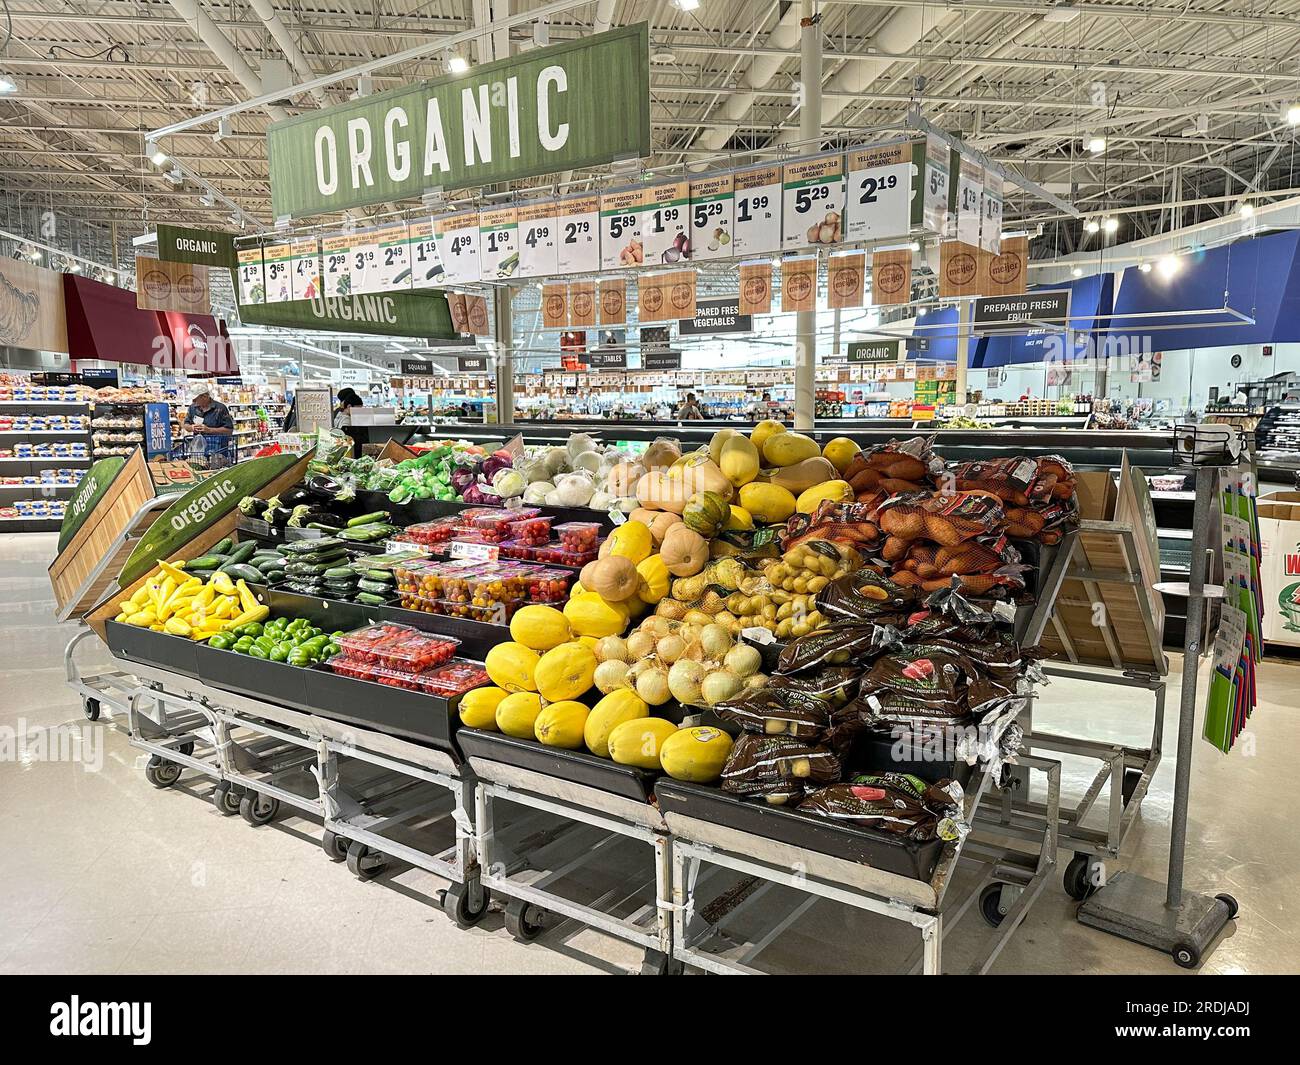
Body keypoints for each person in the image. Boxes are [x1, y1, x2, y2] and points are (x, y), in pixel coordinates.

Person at [184, 384, 234, 466]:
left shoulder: (220, 408)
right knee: (199, 470)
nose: (194, 401)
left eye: (196, 399)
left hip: (217, 451)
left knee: (216, 472)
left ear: (205, 396)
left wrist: (209, 430)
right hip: (198, 451)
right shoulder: (192, 408)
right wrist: (192, 427)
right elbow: (186, 424)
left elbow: (229, 430)